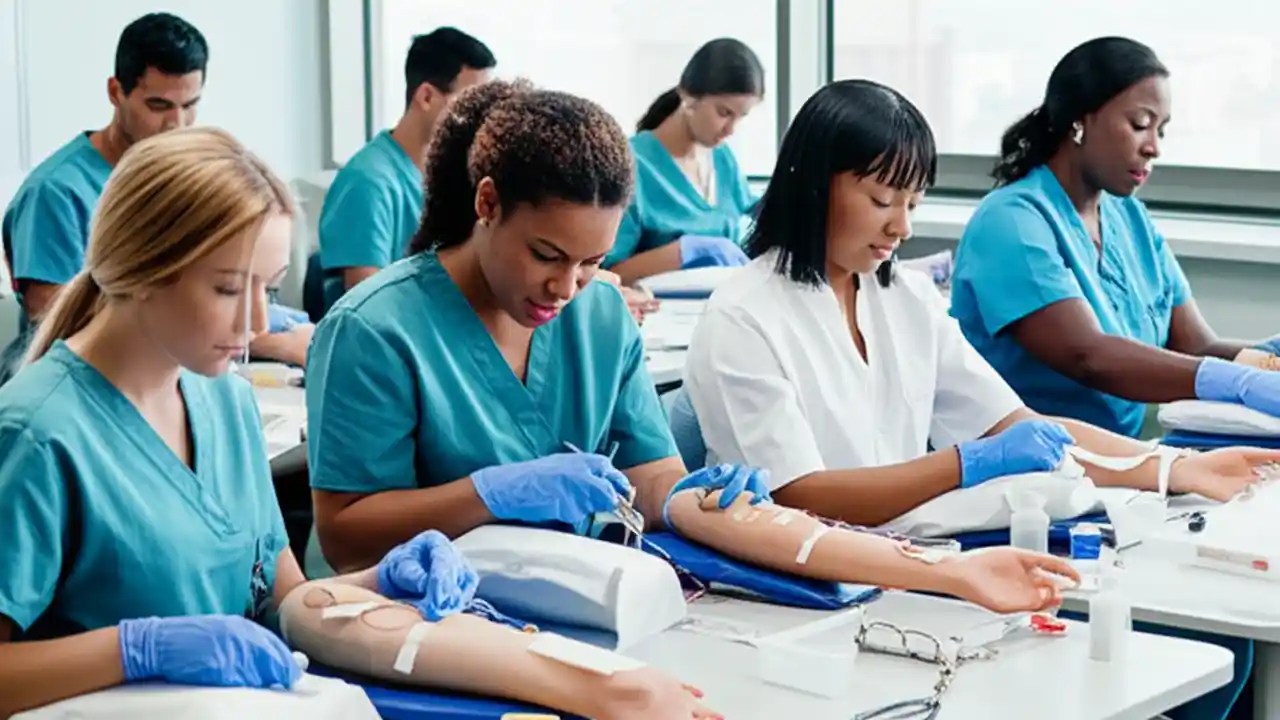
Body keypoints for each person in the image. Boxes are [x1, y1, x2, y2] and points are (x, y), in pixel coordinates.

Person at [0, 127, 713, 720]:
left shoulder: (219, 400)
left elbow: (283, 599)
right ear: (139, 268)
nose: (256, 324)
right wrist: (136, 649)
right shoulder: (38, 434)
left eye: (267, 288)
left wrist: (380, 581)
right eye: (227, 288)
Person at [305, 78, 1085, 618]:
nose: (568, 288)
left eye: (593, 262)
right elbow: (343, 536)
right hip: (419, 614)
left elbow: (654, 481)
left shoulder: (597, 316)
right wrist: (490, 493)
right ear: (486, 205)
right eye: (547, 256)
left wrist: (948, 573)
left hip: (579, 600)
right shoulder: (375, 329)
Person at [681, 78, 1274, 720]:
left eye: (912, 202)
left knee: (1202, 655)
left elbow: (1021, 425)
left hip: (914, 559)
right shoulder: (743, 314)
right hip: (816, 588)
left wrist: (1171, 467)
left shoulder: (899, 296)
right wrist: (965, 463)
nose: (901, 227)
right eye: (882, 200)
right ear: (815, 184)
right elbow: (799, 494)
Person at [950, 37, 1280, 439]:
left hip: (1123, 457)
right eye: (1140, 125)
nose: (1154, 147)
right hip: (1032, 464)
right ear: (1079, 121)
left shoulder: (1129, 218)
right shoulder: (1010, 222)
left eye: (1161, 130)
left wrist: (1269, 361)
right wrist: (1238, 381)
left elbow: (1195, 345)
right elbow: (1089, 356)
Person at [0, 12, 310, 380]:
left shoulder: (183, 178)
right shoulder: (56, 193)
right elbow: (54, 318)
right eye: (159, 106)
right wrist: (264, 342)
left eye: (189, 105)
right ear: (116, 92)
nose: (176, 124)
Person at [310, 27, 495, 317]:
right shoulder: (368, 182)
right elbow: (367, 305)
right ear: (426, 96)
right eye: (470, 103)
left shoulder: (455, 177)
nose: (482, 117)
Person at [604, 38, 764, 285]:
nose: (731, 129)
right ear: (688, 98)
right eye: (724, 113)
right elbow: (604, 275)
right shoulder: (630, 165)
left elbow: (751, 213)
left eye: (741, 117)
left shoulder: (722, 159)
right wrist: (684, 252)